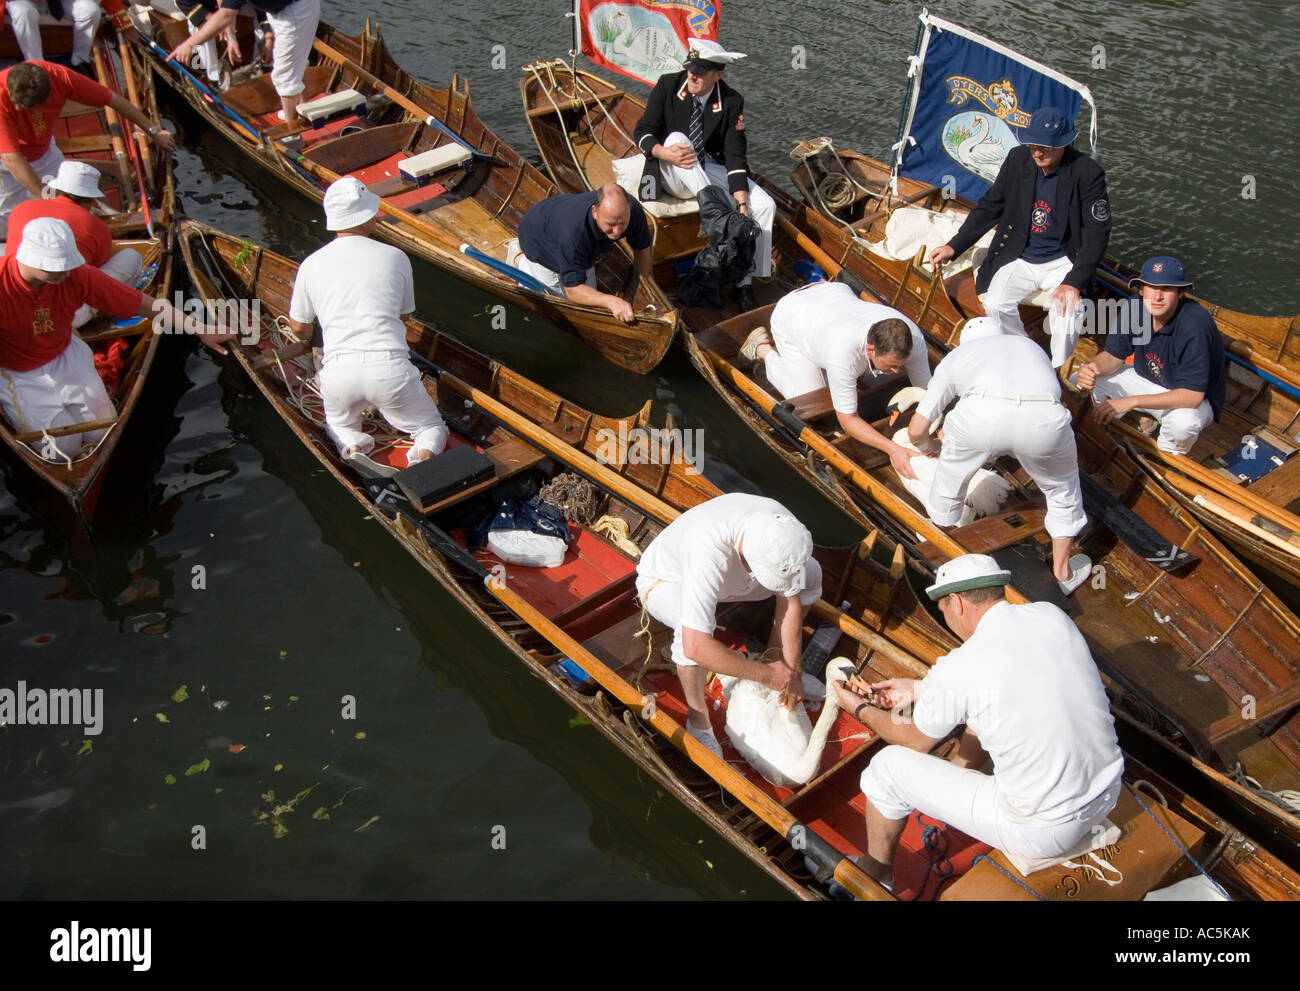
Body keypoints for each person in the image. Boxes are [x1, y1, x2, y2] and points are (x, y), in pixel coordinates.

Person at [829, 554, 1124, 890]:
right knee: (991, 709)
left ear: (956, 602)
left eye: (942, 610)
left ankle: (875, 876)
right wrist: (919, 689)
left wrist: (858, 708)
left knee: (885, 770)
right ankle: (963, 772)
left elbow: (914, 741)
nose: (947, 618)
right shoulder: (1051, 616)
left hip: (1044, 829)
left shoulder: (962, 665)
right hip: (1108, 790)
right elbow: (1011, 680)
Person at [0, 217, 226, 460]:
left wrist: (199, 328)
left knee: (102, 432)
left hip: (65, 352)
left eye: (67, 264)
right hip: (19, 372)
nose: (64, 273)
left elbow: (141, 303)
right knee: (60, 452)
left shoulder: (74, 275)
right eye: (55, 267)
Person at [905, 326, 1091, 593]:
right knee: (1063, 492)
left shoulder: (958, 356)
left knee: (951, 477)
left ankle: (938, 541)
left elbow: (915, 430)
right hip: (1044, 419)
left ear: (963, 341)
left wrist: (934, 445)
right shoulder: (1029, 345)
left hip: (981, 418)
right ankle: (1062, 575)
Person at [926, 106, 1111, 368]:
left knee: (1068, 312)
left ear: (1064, 144)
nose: (1037, 152)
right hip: (1020, 254)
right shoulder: (1017, 159)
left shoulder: (1088, 173)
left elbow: (1097, 233)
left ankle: (1058, 367)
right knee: (996, 303)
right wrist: (954, 246)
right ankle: (1028, 354)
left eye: (1045, 147)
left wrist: (1074, 281)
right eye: (1033, 144)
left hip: (1063, 260)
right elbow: (991, 205)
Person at [635, 492, 817, 757]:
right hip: (668, 582)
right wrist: (766, 676)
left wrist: (792, 670)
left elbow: (791, 597)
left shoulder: (786, 531)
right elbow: (696, 646)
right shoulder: (709, 547)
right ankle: (698, 721)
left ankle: (774, 656)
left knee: (812, 578)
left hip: (733, 580)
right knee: (695, 631)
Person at [287, 176, 448, 466]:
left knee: (341, 425)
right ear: (366, 216)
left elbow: (299, 326)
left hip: (338, 375)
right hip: (389, 370)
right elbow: (403, 316)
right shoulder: (395, 256)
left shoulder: (310, 264)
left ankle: (354, 447)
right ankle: (421, 459)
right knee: (430, 428)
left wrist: (304, 340)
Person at [631, 39, 775, 312]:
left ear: (718, 74)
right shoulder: (668, 86)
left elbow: (735, 155)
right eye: (690, 68)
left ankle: (744, 281)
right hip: (671, 168)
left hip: (707, 167)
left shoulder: (731, 101)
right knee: (677, 136)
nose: (692, 75)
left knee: (767, 205)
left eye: (700, 71)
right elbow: (643, 131)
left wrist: (742, 205)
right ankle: (717, 213)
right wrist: (663, 152)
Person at [738, 280, 933, 479]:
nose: (897, 370)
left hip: (832, 292)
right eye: (891, 365)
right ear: (871, 349)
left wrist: (939, 431)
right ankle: (762, 349)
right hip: (792, 316)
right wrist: (893, 449)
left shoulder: (913, 340)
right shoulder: (843, 354)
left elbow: (928, 393)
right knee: (807, 397)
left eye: (901, 364)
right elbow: (848, 420)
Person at [0, 60, 175, 234]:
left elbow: (111, 98)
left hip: (43, 150)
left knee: (70, 205)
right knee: (6, 223)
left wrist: (153, 131)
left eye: (24, 108)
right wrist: (46, 197)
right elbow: (12, 160)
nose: (16, 109)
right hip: (4, 161)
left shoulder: (61, 78)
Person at [1076, 255, 1224, 455]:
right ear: (1141, 289)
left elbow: (1192, 396)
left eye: (1167, 289)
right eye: (1151, 288)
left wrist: (1133, 401)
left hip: (1187, 398)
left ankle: (1166, 453)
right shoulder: (1136, 305)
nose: (1157, 297)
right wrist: (1092, 368)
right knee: (1079, 379)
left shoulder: (1195, 325)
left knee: (1183, 425)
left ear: (1181, 293)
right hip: (1148, 381)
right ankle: (1130, 422)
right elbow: (1112, 356)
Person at [7, 159, 143, 327]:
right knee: (132, 256)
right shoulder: (96, 226)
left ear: (56, 189)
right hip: (66, 313)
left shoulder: (21, 208)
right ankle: (100, 313)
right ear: (92, 200)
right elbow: (96, 269)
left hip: (13, 307)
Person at [514, 183, 654, 323]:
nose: (617, 232)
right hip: (539, 239)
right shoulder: (573, 234)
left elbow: (642, 249)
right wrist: (611, 301)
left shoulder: (633, 210)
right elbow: (573, 289)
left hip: (568, 229)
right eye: (610, 224)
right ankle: (522, 261)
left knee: (590, 300)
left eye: (622, 224)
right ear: (595, 212)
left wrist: (641, 292)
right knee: (562, 307)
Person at [167, 0, 321, 123]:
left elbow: (226, 14)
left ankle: (292, 134)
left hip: (293, 12)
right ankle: (302, 108)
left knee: (283, 77)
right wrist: (231, 37)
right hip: (292, 8)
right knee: (294, 64)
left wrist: (189, 44)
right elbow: (227, 9)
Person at [4, 0, 125, 75]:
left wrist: (124, 24)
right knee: (24, 13)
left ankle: (79, 63)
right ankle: (37, 67)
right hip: (21, 2)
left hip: (58, 2)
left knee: (91, 11)